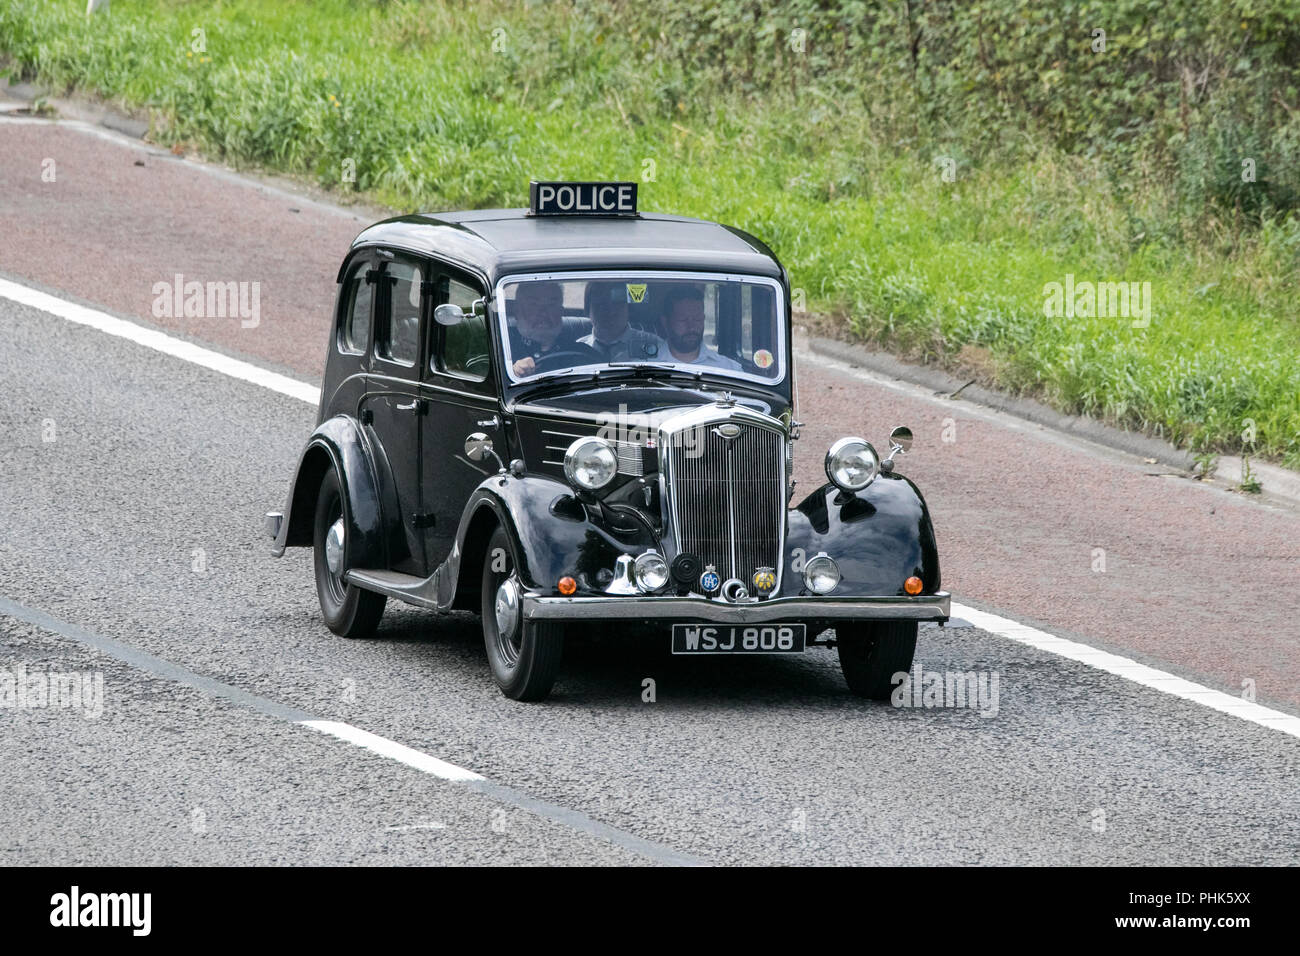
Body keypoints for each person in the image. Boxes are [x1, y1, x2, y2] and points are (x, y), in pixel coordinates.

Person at [507, 281, 595, 377]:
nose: (543, 313)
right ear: (517, 311)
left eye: (551, 305)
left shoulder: (582, 352)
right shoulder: (502, 346)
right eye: (533, 305)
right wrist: (512, 373)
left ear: (561, 312)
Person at [578, 281, 667, 362]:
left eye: (617, 304)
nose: (610, 311)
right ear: (587, 310)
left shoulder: (655, 346)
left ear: (629, 309)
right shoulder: (577, 349)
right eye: (601, 305)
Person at [658, 285, 741, 371]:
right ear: (665, 322)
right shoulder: (649, 363)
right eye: (683, 319)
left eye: (697, 319)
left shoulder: (728, 369)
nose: (691, 327)